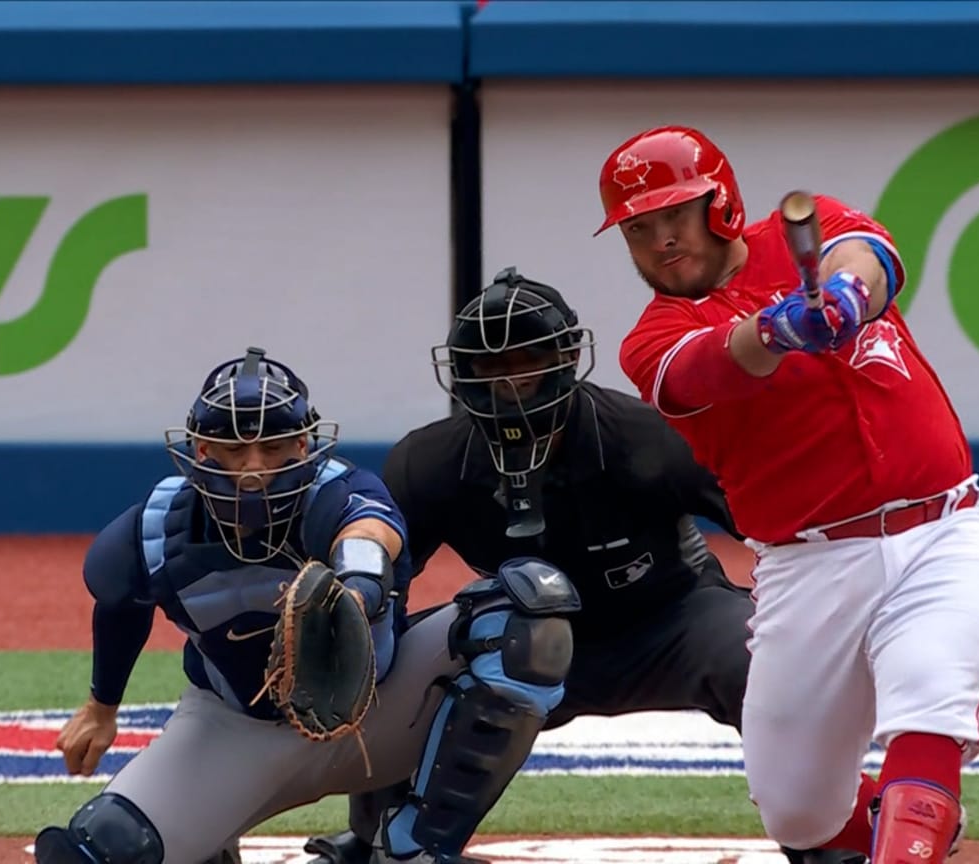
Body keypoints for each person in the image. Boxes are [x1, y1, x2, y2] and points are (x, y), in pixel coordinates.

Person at [594, 125, 979, 864]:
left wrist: (846, 293)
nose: (660, 240)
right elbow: (711, 365)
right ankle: (901, 814)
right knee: (799, 813)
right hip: (807, 568)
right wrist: (778, 329)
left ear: (719, 205)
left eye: (674, 216)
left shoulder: (811, 227)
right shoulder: (650, 340)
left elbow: (866, 257)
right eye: (639, 229)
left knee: (929, 714)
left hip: (938, 532)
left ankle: (915, 816)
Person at [32, 346, 583, 864]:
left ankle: (413, 847)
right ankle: (209, 840)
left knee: (525, 616)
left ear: (304, 446)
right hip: (238, 732)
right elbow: (121, 601)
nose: (253, 470)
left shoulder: (340, 493)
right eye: (232, 449)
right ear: (200, 451)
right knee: (102, 848)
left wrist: (356, 589)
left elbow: (370, 533)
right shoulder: (153, 531)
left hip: (381, 714)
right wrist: (101, 706)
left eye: (274, 448)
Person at [305, 267, 781, 864]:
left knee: (767, 660)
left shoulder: (644, 437)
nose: (510, 383)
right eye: (492, 367)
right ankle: (379, 838)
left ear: (563, 360)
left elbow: (770, 523)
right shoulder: (430, 460)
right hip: (520, 645)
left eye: (527, 362)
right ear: (466, 374)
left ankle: (824, 839)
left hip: (671, 621)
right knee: (394, 674)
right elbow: (385, 591)